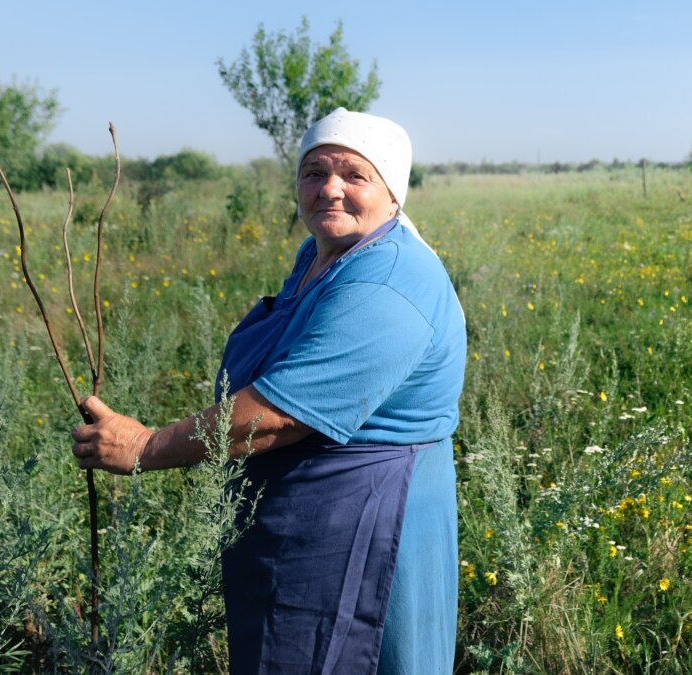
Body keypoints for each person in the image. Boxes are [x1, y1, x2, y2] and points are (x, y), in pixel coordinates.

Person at [70, 107, 466, 673]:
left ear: (392, 190)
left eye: (355, 175)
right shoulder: (325, 254)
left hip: (364, 521)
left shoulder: (388, 283)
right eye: (314, 172)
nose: (330, 189)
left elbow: (277, 417)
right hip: (310, 517)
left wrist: (143, 447)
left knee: (354, 652)